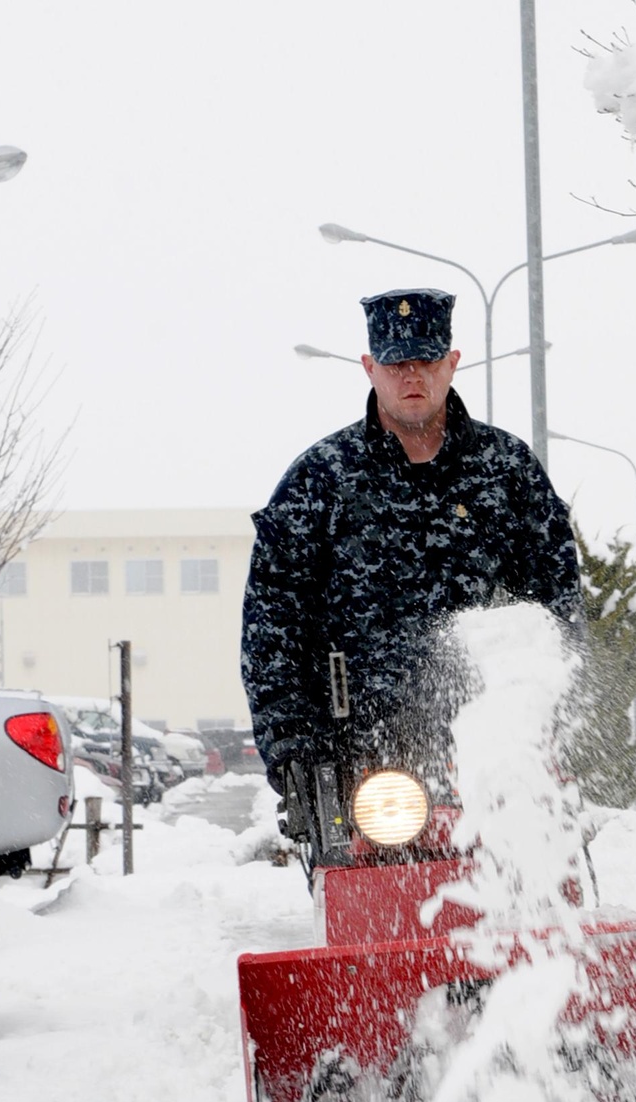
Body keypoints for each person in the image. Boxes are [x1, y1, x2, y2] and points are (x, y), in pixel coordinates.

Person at [241, 287, 583, 792]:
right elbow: (273, 625)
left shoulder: (507, 471)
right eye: (395, 362)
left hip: (493, 760)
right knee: (366, 876)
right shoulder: (320, 480)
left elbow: (557, 608)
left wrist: (548, 717)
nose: (411, 375)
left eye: (425, 359)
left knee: (534, 871)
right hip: (359, 765)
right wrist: (292, 746)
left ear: (451, 363)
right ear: (369, 367)